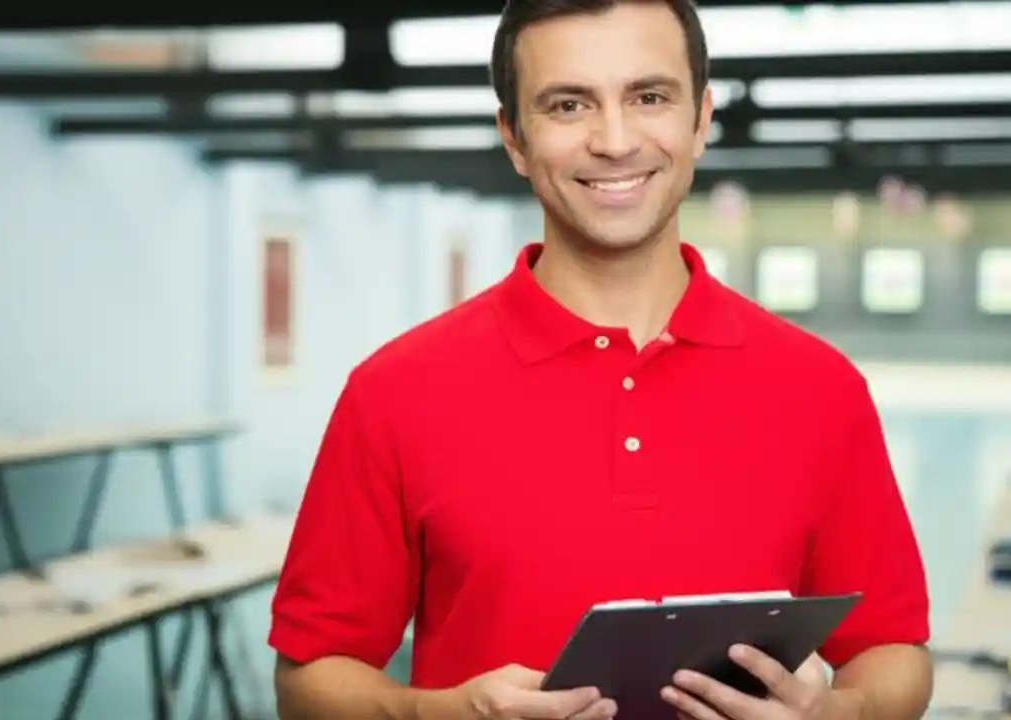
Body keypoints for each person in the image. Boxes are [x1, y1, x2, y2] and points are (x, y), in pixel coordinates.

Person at [269, 1, 934, 719]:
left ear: (700, 118)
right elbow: (308, 681)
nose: (614, 141)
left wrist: (839, 714)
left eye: (649, 97)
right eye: (568, 104)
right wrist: (446, 714)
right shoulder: (394, 393)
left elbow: (893, 651)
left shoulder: (820, 389)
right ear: (514, 139)